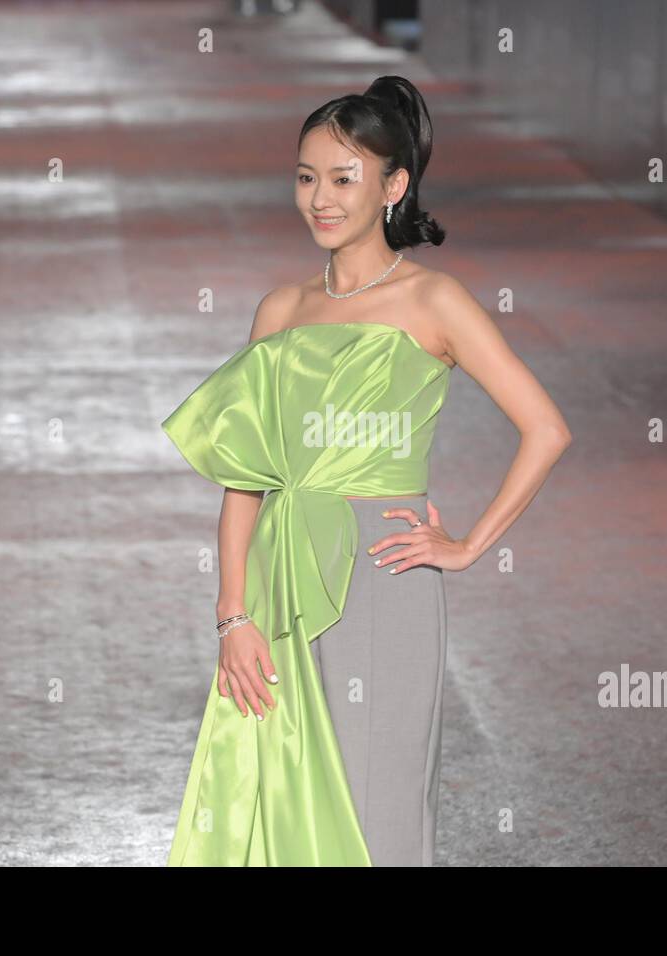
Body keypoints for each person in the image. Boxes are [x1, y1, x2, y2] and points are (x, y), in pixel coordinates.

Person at [161, 75, 572, 866]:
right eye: (307, 177)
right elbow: (246, 477)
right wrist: (232, 616)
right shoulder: (280, 311)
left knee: (377, 808)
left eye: (344, 179)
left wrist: (467, 544)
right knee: (273, 797)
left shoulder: (433, 301)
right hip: (281, 581)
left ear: (393, 186)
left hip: (383, 580)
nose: (321, 198)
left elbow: (545, 428)